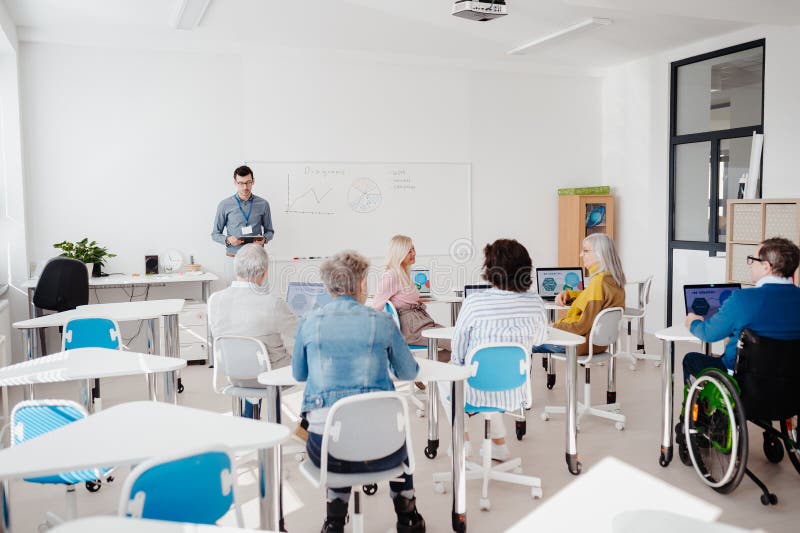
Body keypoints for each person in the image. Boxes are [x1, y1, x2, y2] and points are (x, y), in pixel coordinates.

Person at [293, 250, 425, 533]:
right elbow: (408, 373)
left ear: (328, 287)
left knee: (336, 435)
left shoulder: (308, 323)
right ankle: (408, 516)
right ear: (363, 284)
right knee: (399, 440)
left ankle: (335, 519)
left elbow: (299, 374)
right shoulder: (382, 322)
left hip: (327, 449)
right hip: (384, 447)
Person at [449, 239, 547, 460]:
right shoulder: (536, 301)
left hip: (476, 388)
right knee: (491, 377)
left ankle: (462, 441)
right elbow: (539, 339)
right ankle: (499, 445)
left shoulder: (474, 303)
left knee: (449, 382)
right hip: (516, 391)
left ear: (490, 269)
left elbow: (458, 349)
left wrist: (460, 367)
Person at [682, 237, 800, 384]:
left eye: (752, 260)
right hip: (790, 383)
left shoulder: (742, 299)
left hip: (743, 380)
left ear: (766, 266)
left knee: (691, 359)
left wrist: (694, 323)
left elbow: (708, 334)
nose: (750, 265)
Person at [208, 244, 297, 417]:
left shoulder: (214, 300)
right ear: (264, 273)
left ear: (236, 269)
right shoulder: (272, 303)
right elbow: (302, 333)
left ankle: (250, 414)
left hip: (234, 374)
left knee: (259, 350)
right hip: (270, 376)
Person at [532, 233, 626, 355]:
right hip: (598, 344)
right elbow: (590, 296)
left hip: (579, 343)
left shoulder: (598, 282)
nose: (581, 255)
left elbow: (582, 325)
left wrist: (555, 326)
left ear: (600, 254)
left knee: (526, 341)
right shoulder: (611, 279)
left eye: (586, 251)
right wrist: (570, 294)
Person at [372, 235, 450, 361]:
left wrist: (416, 301)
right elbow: (376, 307)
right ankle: (417, 369)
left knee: (458, 340)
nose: (414, 253)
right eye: (409, 251)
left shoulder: (402, 273)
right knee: (456, 342)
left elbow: (401, 298)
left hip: (419, 321)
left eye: (413, 249)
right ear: (399, 253)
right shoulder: (391, 275)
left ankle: (418, 368)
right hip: (412, 328)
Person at [211, 165, 274, 283]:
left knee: (259, 296)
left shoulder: (263, 204)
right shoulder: (224, 205)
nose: (245, 187)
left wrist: (264, 239)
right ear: (235, 182)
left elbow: (270, 231)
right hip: (233, 259)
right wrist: (228, 240)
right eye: (241, 183)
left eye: (248, 182)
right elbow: (215, 234)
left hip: (257, 259)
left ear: (253, 181)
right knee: (233, 297)